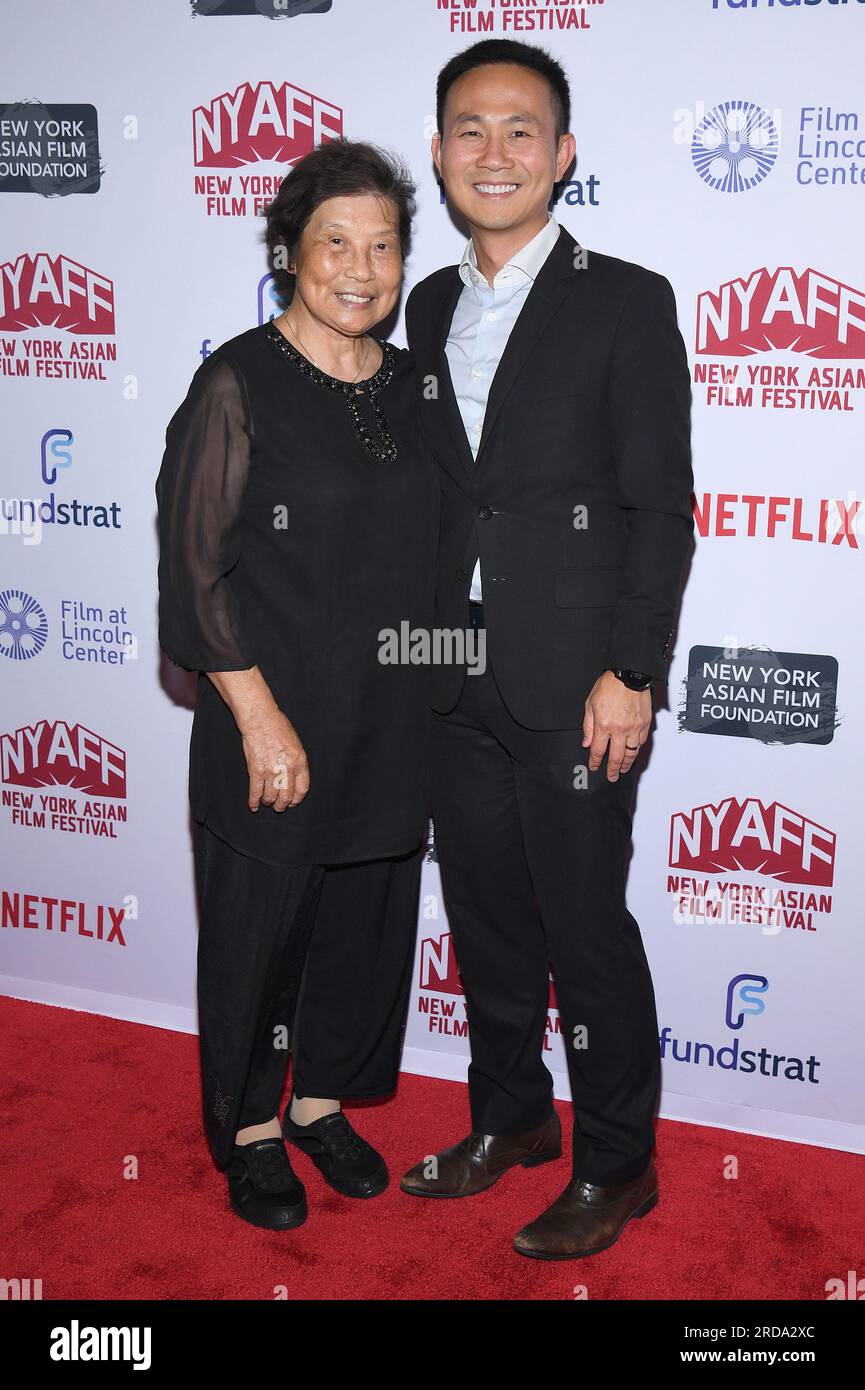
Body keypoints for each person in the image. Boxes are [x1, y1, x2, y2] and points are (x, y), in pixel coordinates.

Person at [399, 39, 694, 1260]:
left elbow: (658, 506)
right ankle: (511, 1121)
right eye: (470, 129)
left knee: (585, 928)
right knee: (486, 921)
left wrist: (630, 672)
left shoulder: (626, 298)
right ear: (438, 154)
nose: (495, 152)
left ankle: (618, 1164)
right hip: (447, 668)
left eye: (522, 130)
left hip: (576, 682)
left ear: (563, 155)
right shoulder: (422, 305)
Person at [155, 139, 438, 1231]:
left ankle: (319, 1101)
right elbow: (194, 570)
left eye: (382, 245)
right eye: (336, 241)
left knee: (365, 921)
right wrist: (261, 720)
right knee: (262, 928)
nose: (360, 267)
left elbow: (445, 542)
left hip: (388, 717)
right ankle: (252, 1128)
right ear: (288, 252)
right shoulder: (237, 380)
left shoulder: (416, 383)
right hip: (268, 715)